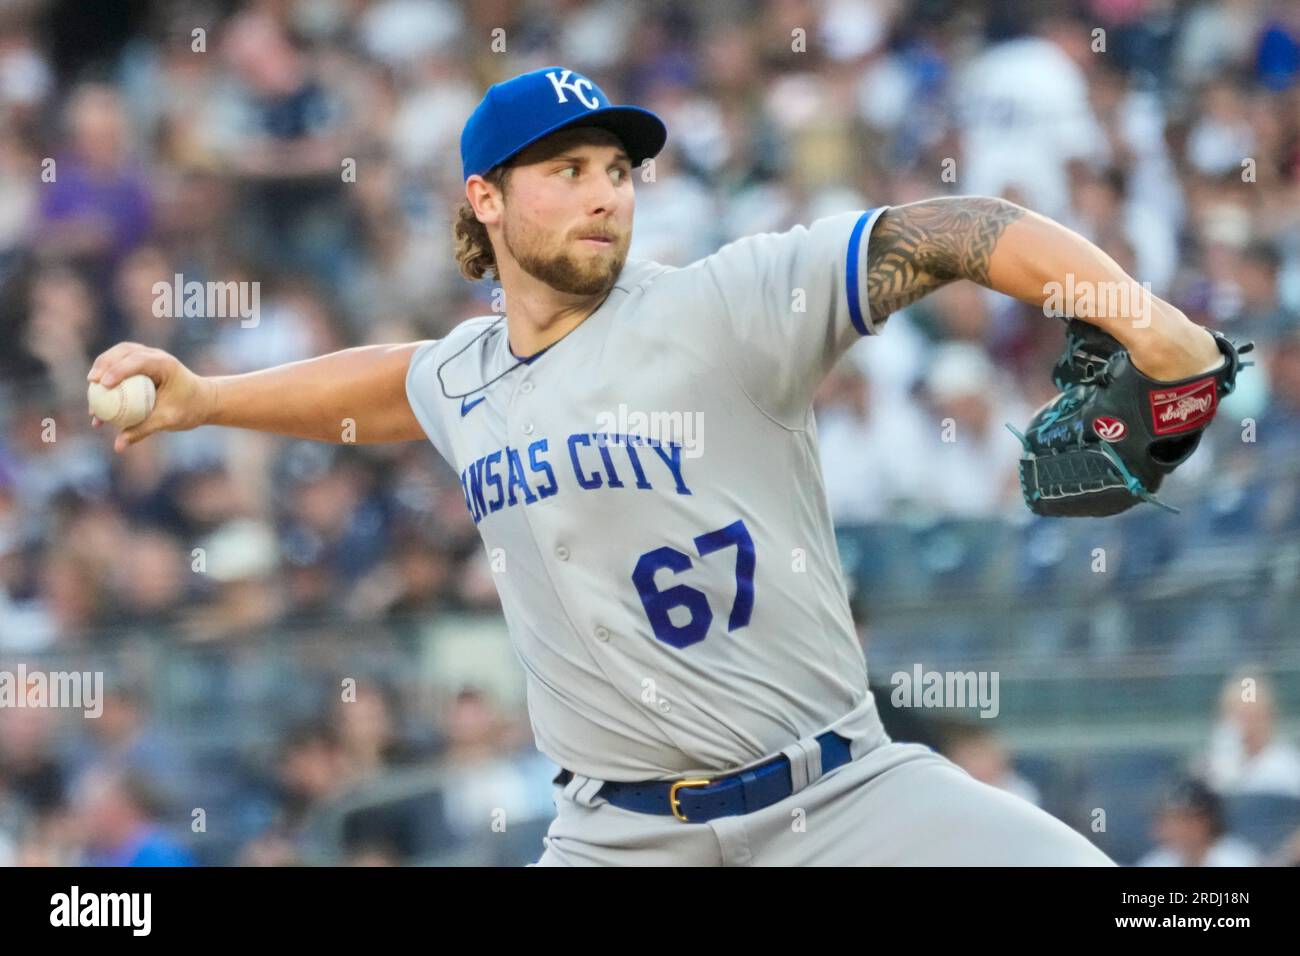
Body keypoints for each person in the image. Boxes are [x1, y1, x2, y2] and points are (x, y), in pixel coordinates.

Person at [87, 66, 1229, 866]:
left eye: (617, 170)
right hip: (618, 838)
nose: (603, 191)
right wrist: (208, 399)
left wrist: (1147, 324)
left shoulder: (719, 305)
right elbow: (392, 386)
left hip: (842, 798)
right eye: (568, 169)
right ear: (483, 201)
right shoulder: (465, 374)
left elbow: (952, 229)